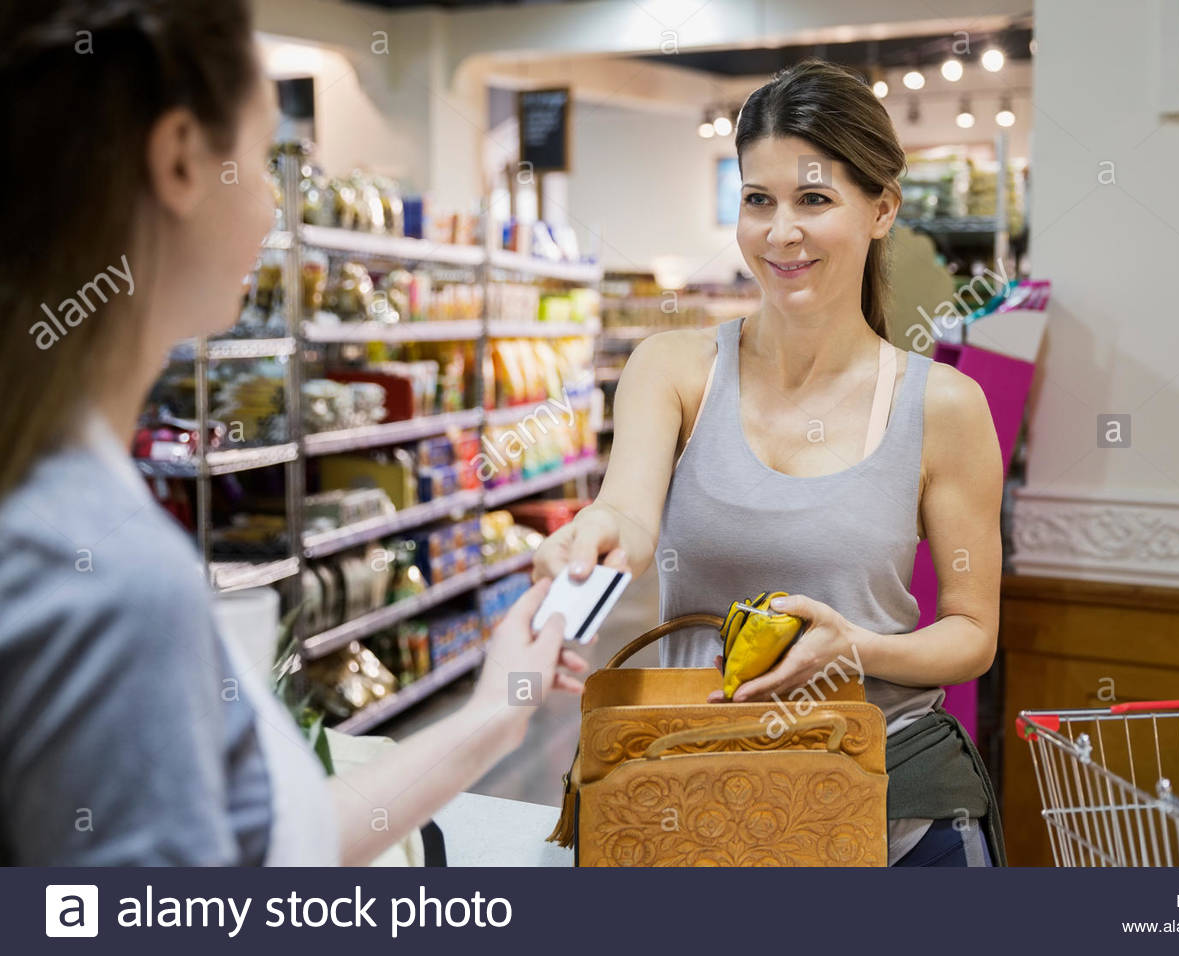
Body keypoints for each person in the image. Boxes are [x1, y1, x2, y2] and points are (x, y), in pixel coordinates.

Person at [0, 0, 600, 866]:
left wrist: (496, 710)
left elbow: (274, 844)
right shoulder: (106, 583)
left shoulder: (62, 498)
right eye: (261, 156)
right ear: (179, 161)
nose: (278, 200)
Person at [532, 60, 1007, 866]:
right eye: (759, 200)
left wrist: (854, 647)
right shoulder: (674, 368)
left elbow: (971, 634)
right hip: (696, 789)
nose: (780, 232)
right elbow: (626, 517)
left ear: (881, 208)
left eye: (814, 200)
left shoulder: (943, 407)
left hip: (891, 802)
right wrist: (585, 545)